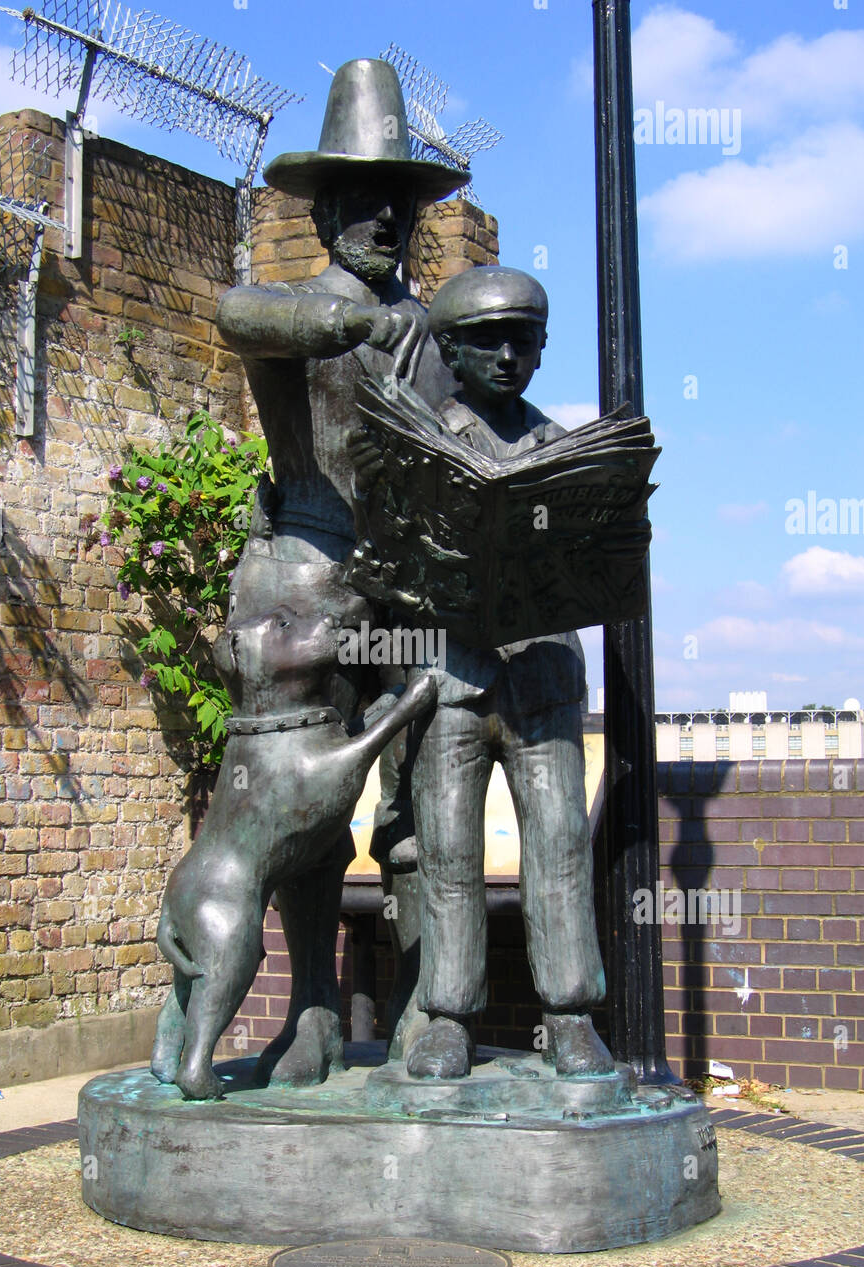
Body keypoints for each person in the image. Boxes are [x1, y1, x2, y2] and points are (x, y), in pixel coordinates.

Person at [209, 59, 467, 1086]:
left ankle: (419, 1018)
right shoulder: (297, 314)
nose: (379, 222)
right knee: (301, 816)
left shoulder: (441, 339)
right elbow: (239, 315)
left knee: (413, 804)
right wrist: (354, 321)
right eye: (359, 204)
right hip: (311, 582)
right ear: (323, 218)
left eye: (395, 206)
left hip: (408, 590)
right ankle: (312, 1013)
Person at [401, 265, 633, 1081]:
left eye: (522, 340)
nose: (507, 356)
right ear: (451, 354)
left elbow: (606, 566)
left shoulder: (566, 452)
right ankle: (448, 1019)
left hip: (541, 678)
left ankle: (571, 1015)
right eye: (486, 341)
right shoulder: (420, 445)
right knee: (449, 854)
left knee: (561, 845)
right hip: (452, 678)